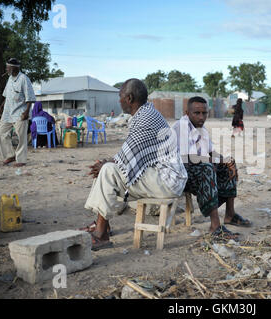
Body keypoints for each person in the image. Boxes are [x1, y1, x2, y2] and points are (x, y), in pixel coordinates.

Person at [80, 79, 188, 250]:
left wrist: (107, 164)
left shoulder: (146, 118)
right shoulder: (145, 113)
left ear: (129, 98)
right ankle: (102, 225)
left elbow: (126, 156)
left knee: (108, 171)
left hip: (168, 180)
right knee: (107, 168)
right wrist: (106, 162)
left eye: (120, 96)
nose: (119, 100)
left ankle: (101, 235)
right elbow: (130, 154)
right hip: (160, 175)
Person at [172, 96, 252, 240]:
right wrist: (213, 161)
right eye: (197, 113)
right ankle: (215, 226)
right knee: (207, 168)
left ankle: (230, 215)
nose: (201, 117)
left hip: (196, 169)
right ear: (187, 113)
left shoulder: (202, 129)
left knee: (228, 165)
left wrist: (225, 160)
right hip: (180, 174)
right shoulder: (180, 127)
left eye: (204, 113)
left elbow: (210, 152)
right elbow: (186, 158)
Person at [0, 58, 36, 167]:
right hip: (8, 112)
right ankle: (9, 155)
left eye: (8, 67)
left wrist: (26, 112)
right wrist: (1, 107)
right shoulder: (9, 79)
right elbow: (7, 96)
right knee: (1, 132)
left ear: (13, 68)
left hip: (20, 112)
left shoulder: (24, 79)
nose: (6, 69)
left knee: (21, 137)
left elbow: (30, 98)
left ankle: (21, 160)